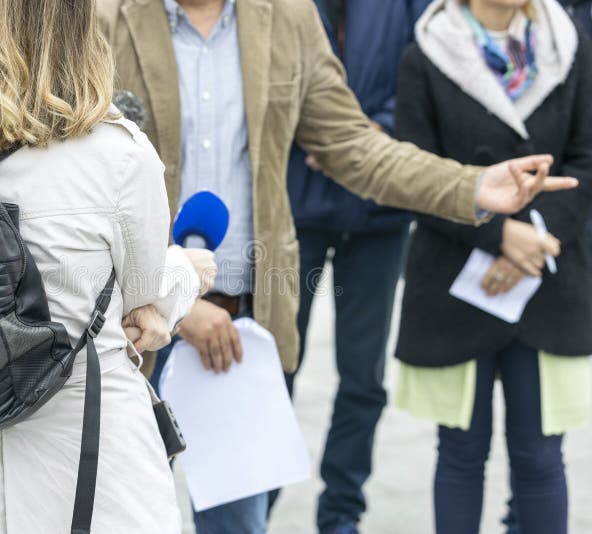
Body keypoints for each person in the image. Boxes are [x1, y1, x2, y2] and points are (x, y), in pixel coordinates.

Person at [97, 0, 576, 531]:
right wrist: (171, 298)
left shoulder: (286, 16)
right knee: (118, 518)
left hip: (242, 319)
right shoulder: (101, 16)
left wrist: (471, 186)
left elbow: (353, 145)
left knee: (237, 525)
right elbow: (76, 175)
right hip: (127, 320)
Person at [0, 1, 214, 532]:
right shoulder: (120, 155)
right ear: (77, 30)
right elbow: (142, 301)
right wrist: (188, 272)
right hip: (87, 466)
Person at [392, 1, 592, 533]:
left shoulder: (568, 45)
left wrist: (538, 239)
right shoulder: (426, 52)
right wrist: (498, 234)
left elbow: (587, 157)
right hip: (457, 278)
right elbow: (412, 170)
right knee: (460, 452)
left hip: (548, 280)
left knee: (541, 455)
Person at [275, 1, 430, 532]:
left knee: (363, 377)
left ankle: (341, 513)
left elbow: (428, 71)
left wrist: (373, 132)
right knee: (276, 369)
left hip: (379, 216)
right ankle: (259, 505)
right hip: (296, 209)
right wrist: (317, 130)